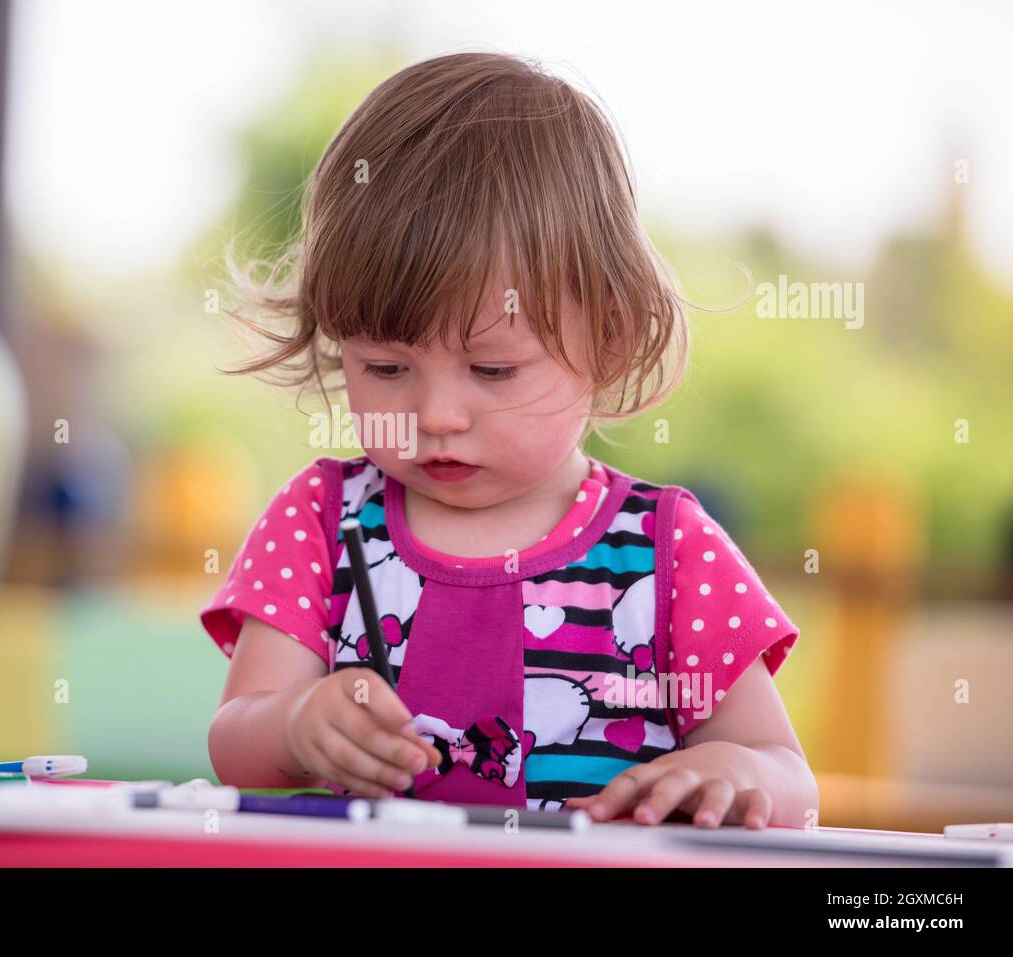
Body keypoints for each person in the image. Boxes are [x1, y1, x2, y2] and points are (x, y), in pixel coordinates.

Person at [201, 52, 816, 827]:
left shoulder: (666, 552)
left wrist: (727, 770)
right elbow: (236, 738)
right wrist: (294, 724)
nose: (438, 414)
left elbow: (787, 775)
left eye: (492, 368)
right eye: (386, 366)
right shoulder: (323, 521)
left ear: (612, 338)